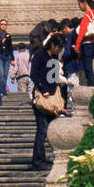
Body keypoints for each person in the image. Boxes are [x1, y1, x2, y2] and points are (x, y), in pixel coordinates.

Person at [27, 33, 64, 171]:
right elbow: (33, 74)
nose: (59, 50)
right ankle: (38, 160)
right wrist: (43, 89)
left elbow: (55, 77)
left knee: (51, 130)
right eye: (58, 47)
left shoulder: (54, 57)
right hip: (42, 98)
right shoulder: (40, 55)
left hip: (53, 98)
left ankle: (50, 158)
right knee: (42, 130)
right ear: (53, 45)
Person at [74, 0, 94, 86]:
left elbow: (82, 31)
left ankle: (92, 83)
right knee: (89, 65)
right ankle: (92, 82)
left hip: (86, 44)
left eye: (79, 4)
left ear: (84, 3)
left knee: (87, 66)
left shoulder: (87, 15)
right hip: (92, 43)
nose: (79, 6)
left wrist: (77, 45)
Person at [0, 20, 14, 95]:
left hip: (7, 56)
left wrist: (12, 59)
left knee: (5, 74)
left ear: (6, 26)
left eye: (5, 24)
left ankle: (3, 90)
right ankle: (1, 91)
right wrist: (2, 41)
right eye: (2, 24)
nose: (3, 26)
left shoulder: (9, 36)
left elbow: (10, 47)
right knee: (1, 73)